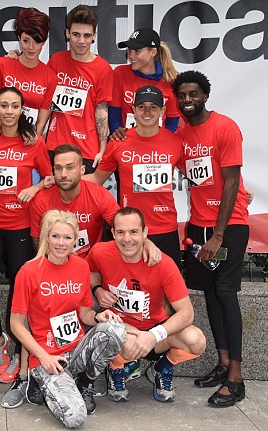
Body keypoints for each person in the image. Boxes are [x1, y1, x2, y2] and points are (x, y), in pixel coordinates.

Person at [172, 70, 249, 407]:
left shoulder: (225, 127)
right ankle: (221, 364)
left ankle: (237, 377)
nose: (188, 100)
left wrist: (218, 235)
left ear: (205, 95)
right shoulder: (181, 133)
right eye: (182, 96)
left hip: (228, 226)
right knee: (210, 295)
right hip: (198, 225)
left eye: (194, 94)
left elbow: (231, 182)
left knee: (226, 294)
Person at [10, 210, 126, 427]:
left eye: (67, 237)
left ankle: (85, 381)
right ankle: (40, 382)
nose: (61, 243)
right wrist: (43, 357)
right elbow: (16, 324)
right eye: (55, 236)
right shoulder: (29, 272)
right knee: (75, 418)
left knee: (116, 329)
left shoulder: (81, 266)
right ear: (46, 237)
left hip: (76, 349)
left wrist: (100, 316)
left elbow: (84, 314)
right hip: (47, 357)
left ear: (75, 239)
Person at [87, 207, 206, 403]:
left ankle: (163, 367)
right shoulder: (100, 252)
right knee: (127, 344)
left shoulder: (164, 264)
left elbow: (187, 313)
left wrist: (154, 335)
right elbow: (91, 271)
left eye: (134, 232)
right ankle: (117, 368)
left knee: (196, 340)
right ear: (113, 233)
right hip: (122, 329)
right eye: (121, 232)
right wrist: (97, 289)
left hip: (156, 332)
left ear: (145, 233)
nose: (127, 239)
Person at [0, 86, 52, 385]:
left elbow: (48, 176)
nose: (8, 111)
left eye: (14, 106)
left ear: (22, 110)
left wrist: (33, 189)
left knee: (22, 294)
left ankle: (24, 354)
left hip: (19, 224)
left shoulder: (33, 141)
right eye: (3, 105)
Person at [86, 85, 184, 267]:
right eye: (142, 107)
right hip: (129, 231)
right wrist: (58, 180)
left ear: (162, 111)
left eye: (153, 107)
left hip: (165, 228)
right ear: (133, 110)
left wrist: (241, 190)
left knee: (166, 292)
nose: (147, 112)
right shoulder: (118, 142)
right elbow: (96, 179)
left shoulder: (176, 142)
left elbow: (197, 178)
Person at [45, 5, 113, 172]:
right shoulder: (56, 61)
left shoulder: (103, 68)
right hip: (55, 147)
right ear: (68, 34)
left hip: (87, 150)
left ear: (94, 36)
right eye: (76, 34)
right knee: (53, 197)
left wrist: (103, 148)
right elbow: (44, 100)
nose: (81, 41)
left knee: (84, 198)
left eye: (87, 35)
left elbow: (102, 109)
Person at [0, 7, 57, 135]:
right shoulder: (1, 65)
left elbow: (41, 122)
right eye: (26, 41)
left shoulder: (50, 77)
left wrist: (33, 139)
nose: (31, 47)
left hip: (29, 140)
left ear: (44, 42)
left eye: (37, 41)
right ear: (19, 38)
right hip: (2, 135)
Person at [110, 28, 180, 133]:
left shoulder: (171, 80)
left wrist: (161, 142)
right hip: (127, 143)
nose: (131, 56)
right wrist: (119, 135)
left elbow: (172, 121)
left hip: (158, 145)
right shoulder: (120, 73)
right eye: (129, 51)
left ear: (153, 52)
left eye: (137, 51)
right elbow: (114, 114)